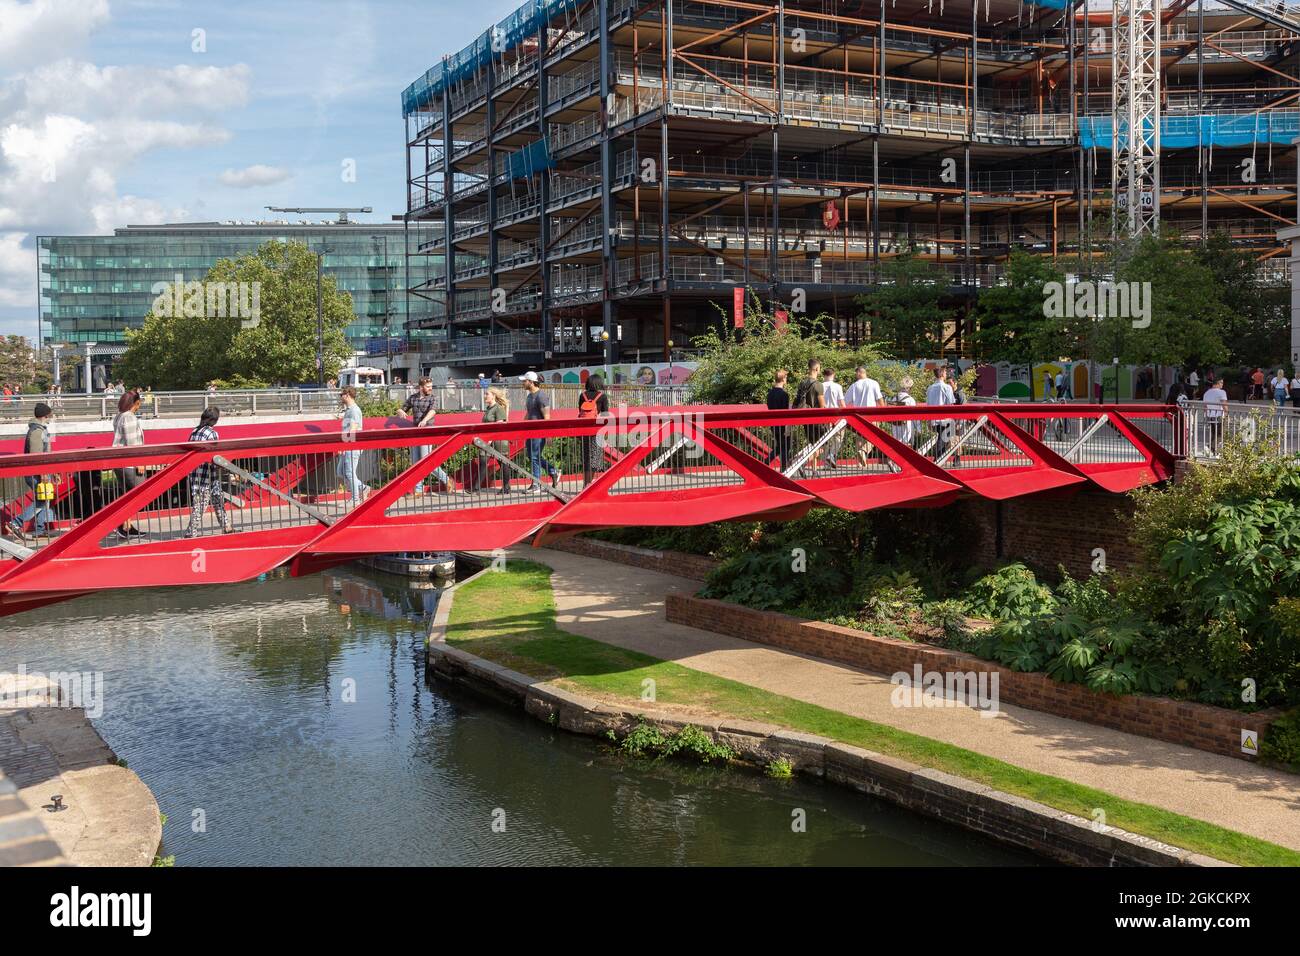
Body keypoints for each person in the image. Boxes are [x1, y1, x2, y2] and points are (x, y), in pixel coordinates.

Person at [399, 376, 457, 494]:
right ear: (421, 387)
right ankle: (419, 490)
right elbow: (403, 408)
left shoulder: (433, 398)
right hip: (416, 432)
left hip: (427, 432)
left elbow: (433, 410)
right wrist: (400, 411)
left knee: (426, 461)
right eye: (428, 386)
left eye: (431, 386)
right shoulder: (413, 398)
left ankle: (446, 479)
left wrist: (425, 420)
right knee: (415, 463)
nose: (430, 388)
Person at [7, 402, 56, 540]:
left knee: (43, 499)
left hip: (39, 471)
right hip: (37, 472)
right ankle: (16, 523)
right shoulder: (37, 431)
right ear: (46, 415)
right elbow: (37, 456)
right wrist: (44, 473)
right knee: (42, 499)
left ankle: (39, 530)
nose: (51, 417)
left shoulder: (39, 429)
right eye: (50, 414)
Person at [185, 407, 234, 537]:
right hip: (208, 473)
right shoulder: (212, 434)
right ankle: (191, 532)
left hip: (195, 471)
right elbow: (215, 455)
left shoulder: (194, 432)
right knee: (204, 504)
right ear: (214, 420)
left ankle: (226, 526)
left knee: (214, 499)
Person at [111, 390, 148, 538]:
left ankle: (126, 526)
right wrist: (139, 462)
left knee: (127, 495)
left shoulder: (118, 416)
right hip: (130, 463)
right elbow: (132, 443)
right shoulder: (130, 418)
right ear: (136, 403)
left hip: (119, 462)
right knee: (140, 493)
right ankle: (122, 524)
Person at [520, 371, 560, 490]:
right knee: (532, 456)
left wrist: (548, 435)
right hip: (530, 431)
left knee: (534, 457)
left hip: (539, 432)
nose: (523, 383)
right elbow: (529, 413)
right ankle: (553, 471)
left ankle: (536, 484)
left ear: (531, 382)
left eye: (525, 381)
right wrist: (521, 426)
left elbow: (547, 416)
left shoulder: (541, 396)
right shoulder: (529, 396)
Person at [792, 358, 825, 475]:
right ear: (816, 369)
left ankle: (814, 470)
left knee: (813, 444)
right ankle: (802, 462)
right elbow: (822, 406)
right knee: (822, 445)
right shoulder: (818, 385)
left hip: (805, 418)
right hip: (816, 419)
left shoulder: (802, 383)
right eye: (819, 368)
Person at [337, 386, 368, 505]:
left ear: (347, 395)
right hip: (348, 445)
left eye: (342, 395)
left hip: (352, 446)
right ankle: (363, 488)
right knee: (341, 472)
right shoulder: (349, 410)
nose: (341, 397)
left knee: (349, 473)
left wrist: (344, 446)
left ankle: (355, 499)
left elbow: (353, 429)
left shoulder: (354, 410)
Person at [478, 387, 511, 494]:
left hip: (498, 440)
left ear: (493, 396)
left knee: (503, 463)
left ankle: (506, 487)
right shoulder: (489, 408)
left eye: (487, 394)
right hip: (488, 440)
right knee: (483, 461)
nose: (485, 396)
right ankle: (476, 487)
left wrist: (490, 438)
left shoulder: (498, 408)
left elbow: (499, 425)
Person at [578, 374, 609, 485]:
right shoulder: (602, 396)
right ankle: (588, 484)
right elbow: (606, 415)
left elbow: (580, 413)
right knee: (595, 457)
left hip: (584, 430)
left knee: (586, 457)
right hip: (597, 430)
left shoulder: (582, 396)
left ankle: (586, 483)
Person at [926, 366, 957, 459]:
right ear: (942, 374)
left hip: (933, 418)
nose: (946, 374)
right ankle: (938, 459)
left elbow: (928, 404)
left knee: (941, 437)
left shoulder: (930, 388)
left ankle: (939, 458)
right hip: (945, 418)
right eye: (945, 373)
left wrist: (928, 420)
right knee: (944, 437)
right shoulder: (947, 387)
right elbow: (950, 404)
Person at [765, 369, 791, 467]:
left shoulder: (770, 394)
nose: (786, 379)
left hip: (773, 424)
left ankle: (766, 462)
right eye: (786, 377)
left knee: (780, 446)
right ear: (783, 379)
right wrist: (787, 427)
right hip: (782, 424)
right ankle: (784, 470)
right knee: (785, 447)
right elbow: (785, 413)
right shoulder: (784, 394)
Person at [820, 368, 845, 469]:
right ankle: (831, 455)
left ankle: (826, 463)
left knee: (825, 440)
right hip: (836, 416)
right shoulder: (838, 386)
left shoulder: (820, 386)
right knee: (838, 437)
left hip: (823, 416)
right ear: (833, 375)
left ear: (824, 375)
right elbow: (842, 403)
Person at [890, 377, 918, 448]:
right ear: (909, 388)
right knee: (906, 445)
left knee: (897, 445)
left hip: (895, 425)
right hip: (906, 426)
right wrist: (918, 428)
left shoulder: (894, 398)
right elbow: (915, 416)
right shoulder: (910, 400)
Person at [1203, 377, 1228, 455]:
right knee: (1220, 433)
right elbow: (1224, 404)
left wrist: (1206, 415)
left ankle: (1213, 450)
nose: (1222, 385)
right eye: (1222, 383)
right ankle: (1209, 447)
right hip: (1219, 415)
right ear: (1218, 383)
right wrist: (1227, 413)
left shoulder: (1206, 393)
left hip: (1210, 415)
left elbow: (1205, 406)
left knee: (1214, 433)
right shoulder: (1222, 392)